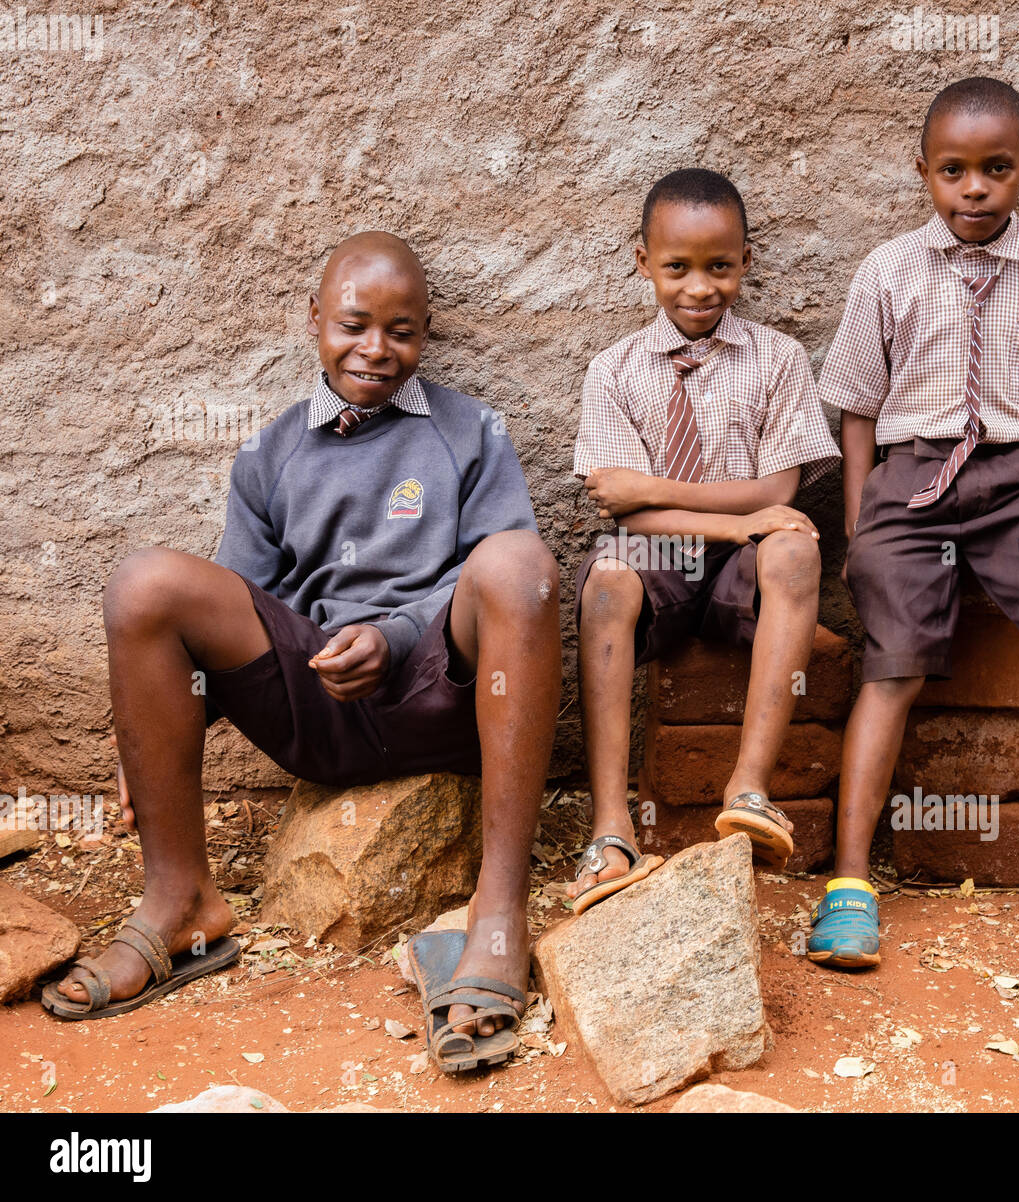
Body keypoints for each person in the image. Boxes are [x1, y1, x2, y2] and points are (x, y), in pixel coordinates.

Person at [46, 232, 561, 1075]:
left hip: (440, 694)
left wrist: (395, 636)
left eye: (403, 330)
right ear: (313, 320)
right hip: (315, 704)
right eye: (354, 324)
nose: (376, 349)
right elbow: (236, 612)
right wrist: (152, 730)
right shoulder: (273, 449)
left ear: (427, 335)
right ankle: (181, 901)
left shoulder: (470, 432)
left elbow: (510, 593)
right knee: (145, 584)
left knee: (521, 564)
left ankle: (496, 914)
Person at [816, 78, 1019, 969]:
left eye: (997, 169)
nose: (975, 189)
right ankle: (850, 880)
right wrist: (857, 527)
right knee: (892, 664)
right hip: (912, 480)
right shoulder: (886, 271)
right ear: (923, 172)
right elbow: (857, 412)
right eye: (953, 170)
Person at [569, 169, 840, 913]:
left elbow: (777, 492)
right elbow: (624, 514)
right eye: (677, 267)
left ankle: (749, 789)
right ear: (642, 262)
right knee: (607, 579)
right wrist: (729, 517)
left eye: (719, 267)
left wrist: (655, 489)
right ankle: (612, 826)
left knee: (793, 547)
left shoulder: (777, 359)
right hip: (656, 558)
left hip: (739, 571)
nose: (699, 287)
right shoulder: (615, 370)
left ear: (745, 262)